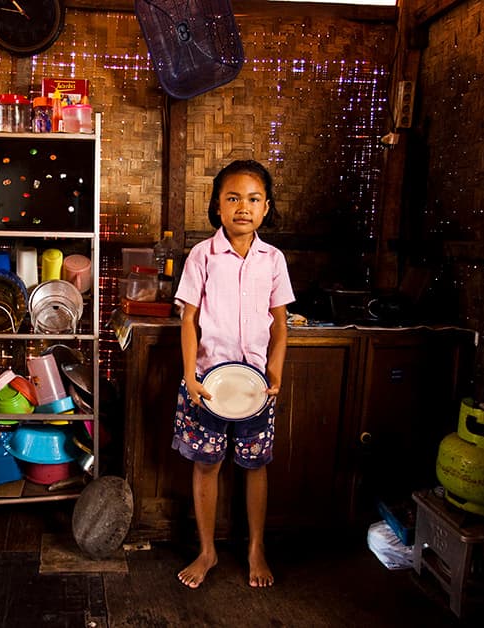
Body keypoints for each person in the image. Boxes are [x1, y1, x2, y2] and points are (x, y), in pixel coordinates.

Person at [171, 159, 294, 589]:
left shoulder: (273, 260)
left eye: (254, 199)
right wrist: (190, 374)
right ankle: (207, 551)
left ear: (266, 208)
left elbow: (280, 325)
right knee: (206, 465)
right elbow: (188, 320)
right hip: (207, 383)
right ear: (217, 207)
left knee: (255, 466)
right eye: (233, 198)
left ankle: (255, 548)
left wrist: (275, 371)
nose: (244, 207)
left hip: (256, 388)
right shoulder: (202, 256)